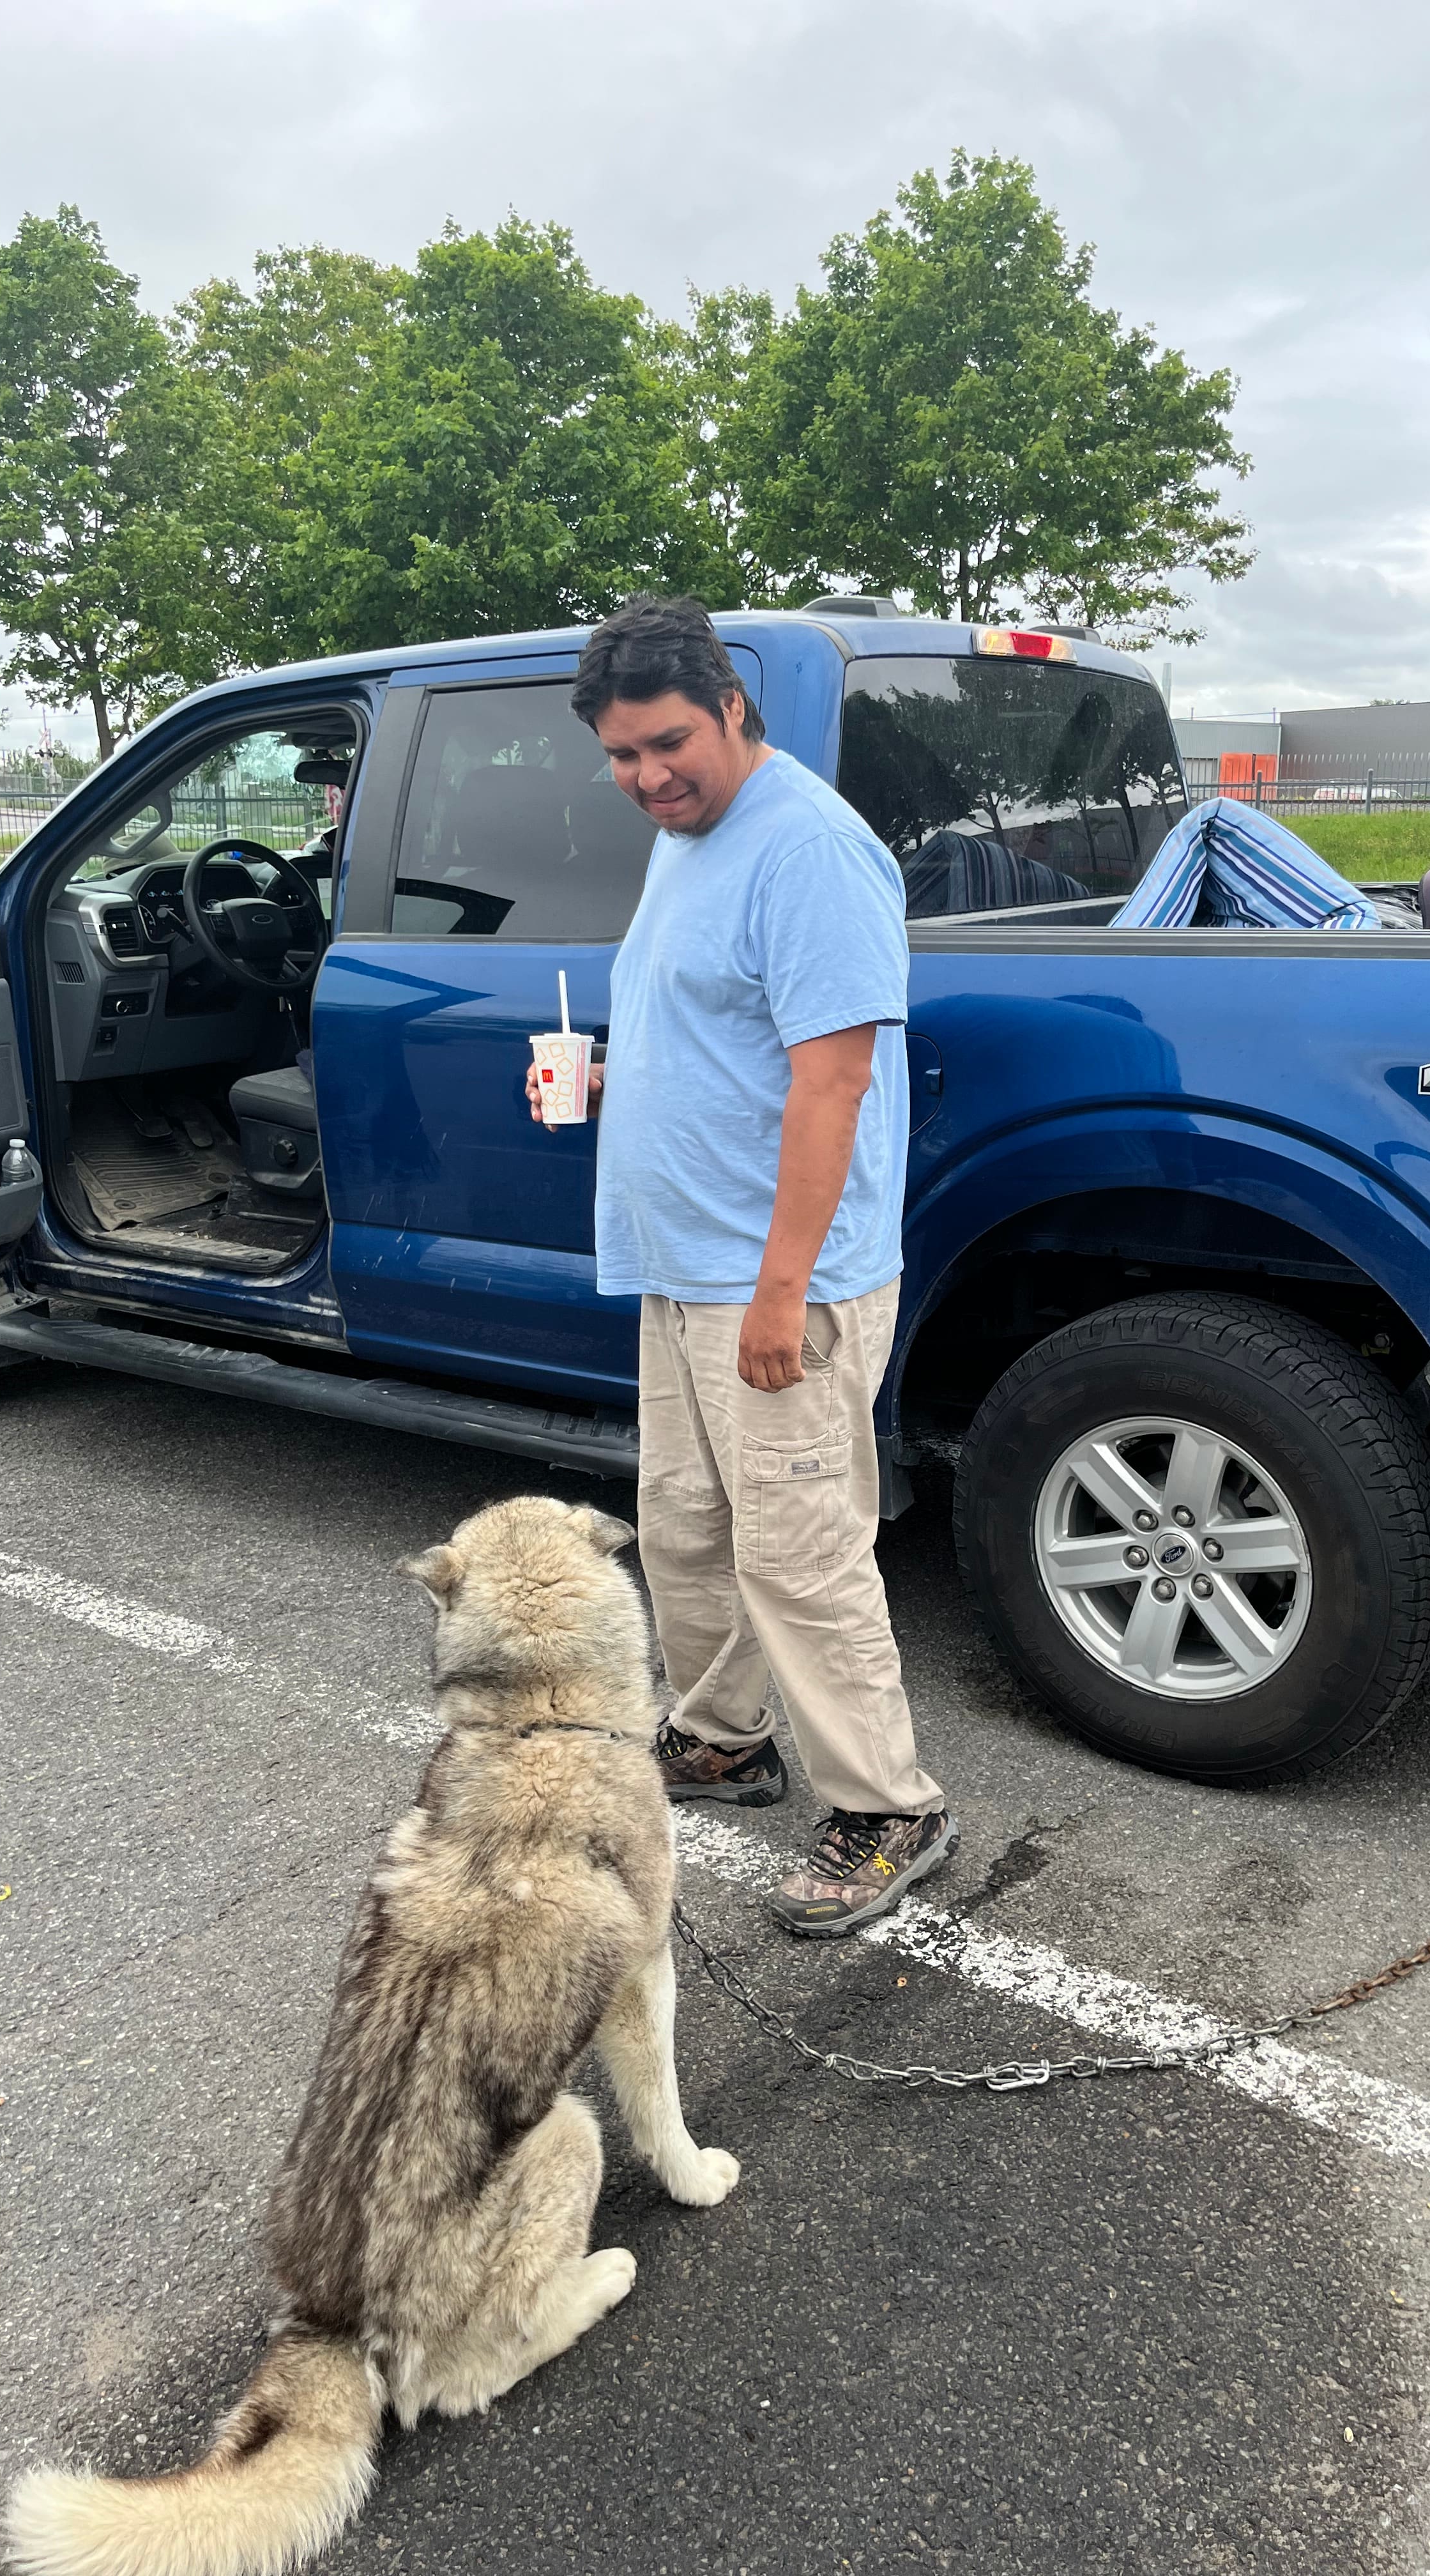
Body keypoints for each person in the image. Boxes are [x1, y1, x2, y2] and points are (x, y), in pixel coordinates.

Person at [527, 594, 954, 1937]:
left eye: (668, 744)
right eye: (622, 756)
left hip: (778, 1282)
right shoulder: (688, 840)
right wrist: (607, 1081)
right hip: (682, 1262)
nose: (649, 777)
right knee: (686, 1524)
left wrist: (784, 1292)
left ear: (729, 706)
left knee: (800, 1552)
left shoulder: (809, 849)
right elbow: (717, 1033)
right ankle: (722, 1738)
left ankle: (889, 1807)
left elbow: (835, 1084)